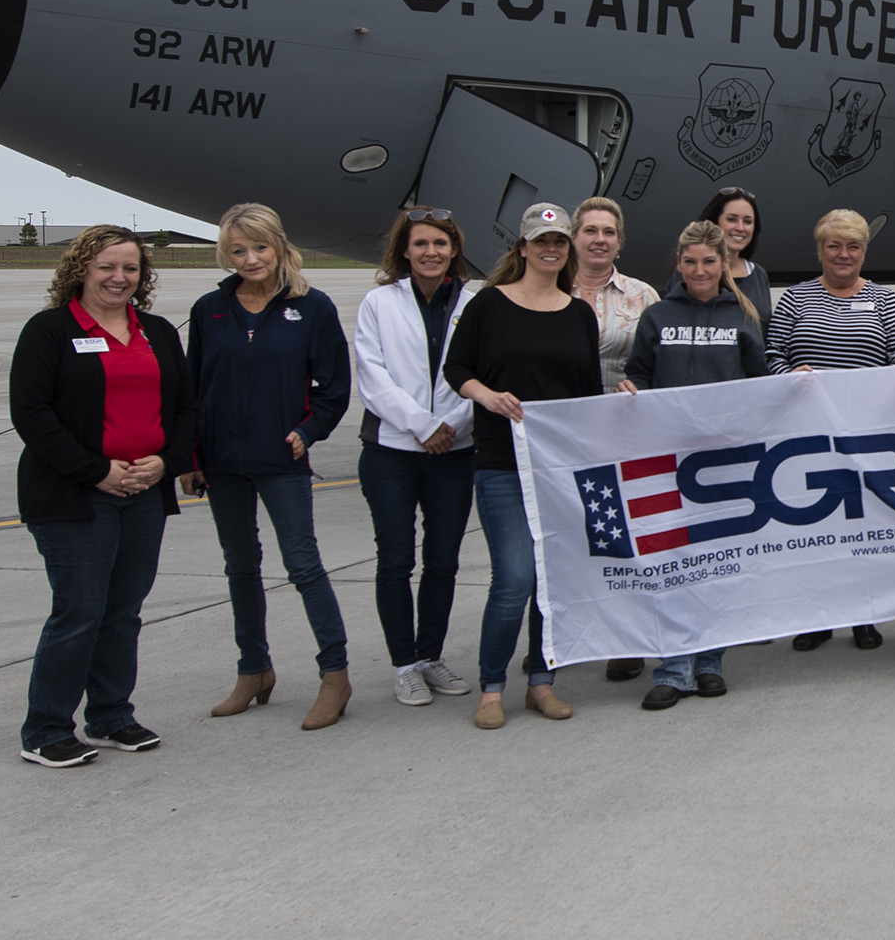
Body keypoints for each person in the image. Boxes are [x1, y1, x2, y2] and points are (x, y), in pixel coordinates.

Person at [8, 227, 194, 766]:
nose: (119, 278)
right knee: (79, 610)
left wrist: (166, 463)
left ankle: (112, 716)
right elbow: (32, 416)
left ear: (143, 275)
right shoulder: (50, 330)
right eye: (106, 267)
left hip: (143, 492)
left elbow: (185, 411)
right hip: (74, 494)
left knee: (123, 611)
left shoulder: (157, 332)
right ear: (81, 271)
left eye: (130, 269)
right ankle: (45, 729)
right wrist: (96, 471)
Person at [185, 202, 354, 728]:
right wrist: (191, 458)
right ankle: (253, 669)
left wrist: (307, 432)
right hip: (221, 463)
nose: (251, 259)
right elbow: (192, 390)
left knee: (303, 565)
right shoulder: (209, 310)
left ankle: (335, 674)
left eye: (260, 247)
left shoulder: (313, 307)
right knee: (240, 567)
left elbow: (334, 389)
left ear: (279, 246)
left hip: (282, 459)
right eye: (238, 250)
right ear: (225, 254)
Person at [443, 202, 607, 729]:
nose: (551, 249)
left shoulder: (579, 312)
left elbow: (586, 394)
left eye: (559, 242)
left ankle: (541, 681)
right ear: (523, 248)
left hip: (556, 469)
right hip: (500, 461)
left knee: (549, 582)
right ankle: (492, 687)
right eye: (541, 241)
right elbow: (456, 367)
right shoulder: (489, 304)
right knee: (513, 578)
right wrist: (486, 397)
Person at [622, 219, 785, 708]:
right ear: (679, 264)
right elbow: (638, 373)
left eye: (708, 261)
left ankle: (710, 662)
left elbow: (760, 384)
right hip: (666, 458)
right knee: (672, 564)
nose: (699, 269)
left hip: (723, 463)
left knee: (716, 564)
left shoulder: (744, 313)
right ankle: (673, 668)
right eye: (690, 261)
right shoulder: (656, 315)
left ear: (723, 264)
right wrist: (632, 391)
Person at [769, 207, 895, 651]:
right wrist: (789, 371)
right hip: (806, 437)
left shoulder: (884, 300)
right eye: (834, 245)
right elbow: (771, 355)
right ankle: (817, 616)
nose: (844, 255)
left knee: (864, 528)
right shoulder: (794, 298)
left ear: (864, 252)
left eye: (854, 247)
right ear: (820, 249)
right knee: (814, 527)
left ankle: (865, 615)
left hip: (866, 435)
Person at [352, 206, 484, 707]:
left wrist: (452, 426)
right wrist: (425, 426)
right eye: (421, 244)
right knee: (395, 560)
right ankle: (404, 664)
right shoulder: (378, 302)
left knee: (443, 561)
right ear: (404, 251)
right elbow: (373, 376)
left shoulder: (474, 303)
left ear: (454, 251)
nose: (431, 252)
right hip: (392, 452)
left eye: (441, 244)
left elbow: (481, 372)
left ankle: (430, 656)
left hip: (455, 449)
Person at [572, 195, 662, 687]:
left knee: (622, 539)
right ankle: (560, 634)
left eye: (608, 232)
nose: (599, 239)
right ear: (575, 238)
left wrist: (643, 390)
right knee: (566, 537)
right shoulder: (548, 290)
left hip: (625, 434)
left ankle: (625, 642)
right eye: (590, 231)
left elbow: (655, 362)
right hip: (566, 434)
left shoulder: (641, 296)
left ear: (619, 242)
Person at [698, 185, 773, 331]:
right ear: (714, 222)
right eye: (732, 219)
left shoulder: (758, 275)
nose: (740, 227)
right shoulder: (693, 270)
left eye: (748, 221)